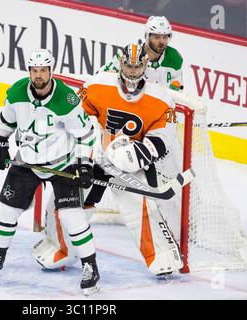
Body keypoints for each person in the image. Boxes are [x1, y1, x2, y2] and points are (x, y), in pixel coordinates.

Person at [33, 43, 183, 277]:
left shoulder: (161, 98)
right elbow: (78, 117)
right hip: (95, 154)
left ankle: (161, 256)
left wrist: (141, 153)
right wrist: (92, 143)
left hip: (131, 160)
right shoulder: (98, 84)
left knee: (140, 206)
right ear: (120, 64)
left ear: (145, 65)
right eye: (128, 65)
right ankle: (61, 248)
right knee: (67, 199)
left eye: (137, 66)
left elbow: (164, 136)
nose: (132, 71)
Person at [0, 49, 100, 296]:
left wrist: (84, 164)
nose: (38, 76)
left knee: (71, 217)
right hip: (27, 163)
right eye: (34, 71)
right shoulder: (16, 93)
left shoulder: (66, 99)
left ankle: (91, 267)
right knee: (6, 210)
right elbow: (5, 125)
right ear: (29, 71)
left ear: (51, 71)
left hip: (61, 164)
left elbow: (86, 136)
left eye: (43, 70)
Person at [101, 16, 184, 91]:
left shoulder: (175, 58)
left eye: (165, 37)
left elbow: (178, 92)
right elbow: (101, 75)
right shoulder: (130, 54)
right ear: (147, 36)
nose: (162, 42)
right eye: (157, 37)